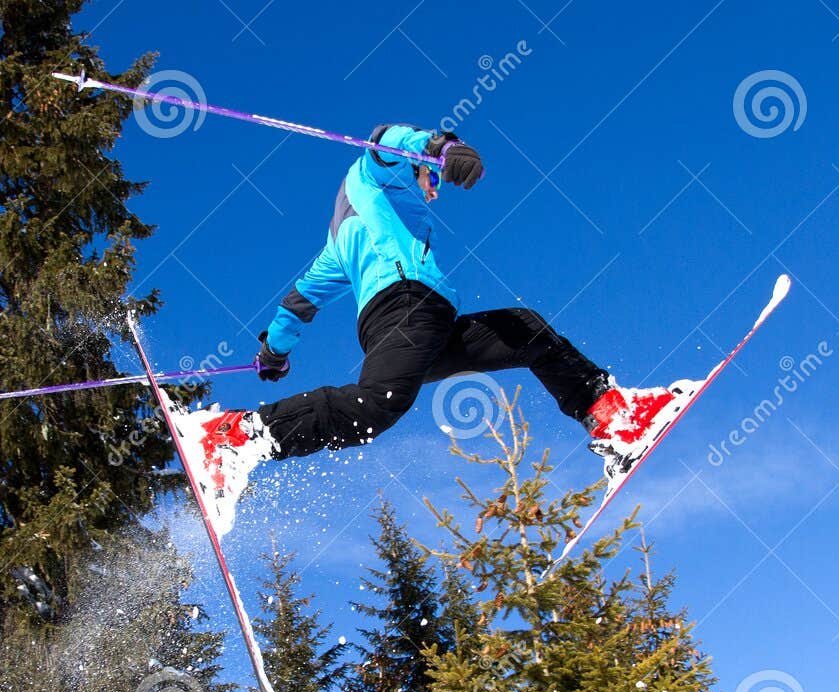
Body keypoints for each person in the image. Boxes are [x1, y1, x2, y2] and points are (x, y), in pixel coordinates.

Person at [174, 124, 686, 528]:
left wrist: (274, 351)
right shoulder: (376, 178)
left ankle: (614, 416)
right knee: (376, 406)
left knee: (525, 329)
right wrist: (442, 147)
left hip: (426, 321)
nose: (434, 191)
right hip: (405, 310)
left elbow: (298, 303)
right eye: (432, 180)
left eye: (436, 179)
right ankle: (233, 435)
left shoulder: (338, 247)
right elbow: (382, 140)